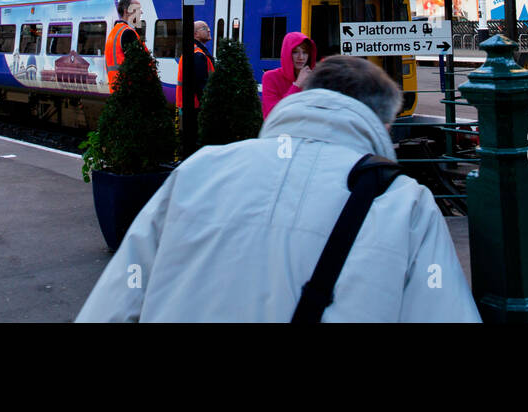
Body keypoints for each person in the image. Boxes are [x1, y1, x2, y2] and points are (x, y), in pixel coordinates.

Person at [76, 55, 479, 322]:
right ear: (384, 124)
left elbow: (115, 303)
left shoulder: (199, 171)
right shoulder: (404, 204)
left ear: (303, 95)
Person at [176, 21, 215, 157]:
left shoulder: (194, 51)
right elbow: (201, 85)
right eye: (205, 28)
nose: (209, 30)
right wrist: (208, 107)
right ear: (195, 34)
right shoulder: (198, 55)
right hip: (195, 108)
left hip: (189, 106)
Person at [261, 31, 315, 119]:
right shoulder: (270, 77)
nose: (301, 57)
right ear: (287, 53)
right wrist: (297, 84)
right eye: (295, 52)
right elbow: (271, 114)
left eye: (305, 52)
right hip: (280, 131)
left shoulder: (314, 77)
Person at [104, 0, 146, 93]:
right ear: (126, 11)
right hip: (130, 90)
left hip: (117, 90)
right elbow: (137, 64)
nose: (141, 12)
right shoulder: (128, 33)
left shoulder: (114, 33)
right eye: (137, 9)